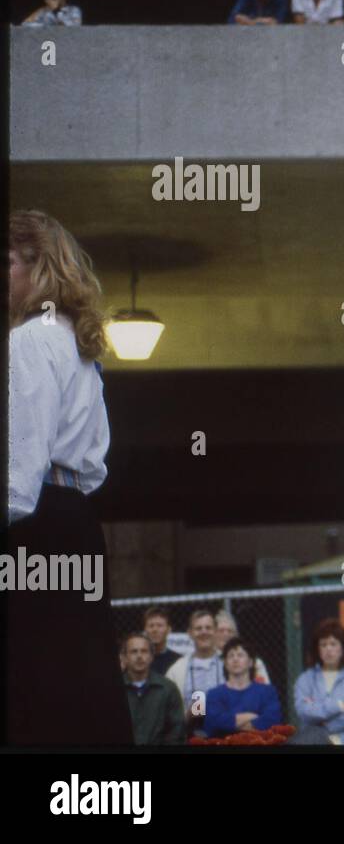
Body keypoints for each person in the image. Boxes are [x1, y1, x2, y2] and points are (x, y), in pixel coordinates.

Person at [5, 210, 132, 745]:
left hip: (34, 522)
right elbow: (95, 463)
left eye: (7, 261)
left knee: (36, 678)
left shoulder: (29, 341)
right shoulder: (76, 344)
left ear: (39, 266)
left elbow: (18, 469)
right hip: (76, 519)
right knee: (84, 674)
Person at [293, 618, 344, 745]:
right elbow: (304, 712)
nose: (328, 649)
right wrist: (338, 706)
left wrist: (324, 724)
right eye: (323, 644)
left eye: (333, 644)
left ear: (343, 648)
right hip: (312, 740)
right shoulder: (305, 679)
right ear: (317, 649)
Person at [204, 637, 282, 737]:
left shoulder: (268, 692)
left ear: (250, 662)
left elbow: (272, 720)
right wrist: (253, 717)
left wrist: (230, 724)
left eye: (240, 655)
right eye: (231, 656)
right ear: (226, 663)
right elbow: (213, 724)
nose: (235, 659)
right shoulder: (214, 694)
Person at [121, 633, 186, 746]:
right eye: (134, 651)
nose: (139, 656)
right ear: (124, 657)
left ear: (151, 656)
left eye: (144, 651)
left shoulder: (168, 688)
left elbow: (177, 730)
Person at [165, 609, 225, 732]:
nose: (204, 632)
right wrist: (189, 715)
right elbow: (166, 715)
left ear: (215, 631)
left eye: (208, 628)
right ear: (190, 633)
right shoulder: (176, 670)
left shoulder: (230, 663)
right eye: (198, 628)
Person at [213, 610, 271, 684]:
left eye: (230, 631)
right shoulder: (208, 661)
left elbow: (264, 688)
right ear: (213, 634)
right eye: (221, 631)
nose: (226, 634)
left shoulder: (255, 663)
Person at [143, 606, 181, 676]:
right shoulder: (140, 660)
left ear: (168, 629)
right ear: (145, 630)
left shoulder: (178, 661)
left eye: (159, 625)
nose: (155, 630)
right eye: (151, 626)